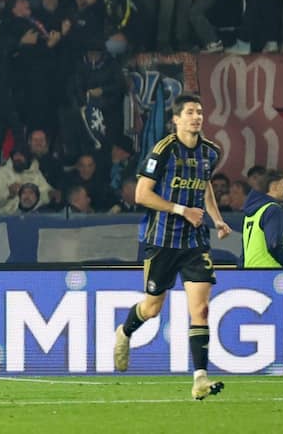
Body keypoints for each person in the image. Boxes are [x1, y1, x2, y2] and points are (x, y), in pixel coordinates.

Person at [113, 94, 232, 400]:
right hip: (163, 240)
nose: (197, 117)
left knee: (201, 309)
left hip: (195, 242)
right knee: (152, 309)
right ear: (176, 119)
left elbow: (204, 185)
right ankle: (125, 332)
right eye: (190, 112)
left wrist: (216, 220)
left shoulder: (210, 152)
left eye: (200, 112)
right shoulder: (163, 150)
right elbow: (141, 194)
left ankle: (200, 378)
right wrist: (181, 210)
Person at [242, 170, 283, 269]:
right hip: (269, 273)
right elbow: (274, 246)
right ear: (274, 186)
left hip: (250, 273)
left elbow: (244, 251)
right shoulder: (273, 209)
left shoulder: (252, 212)